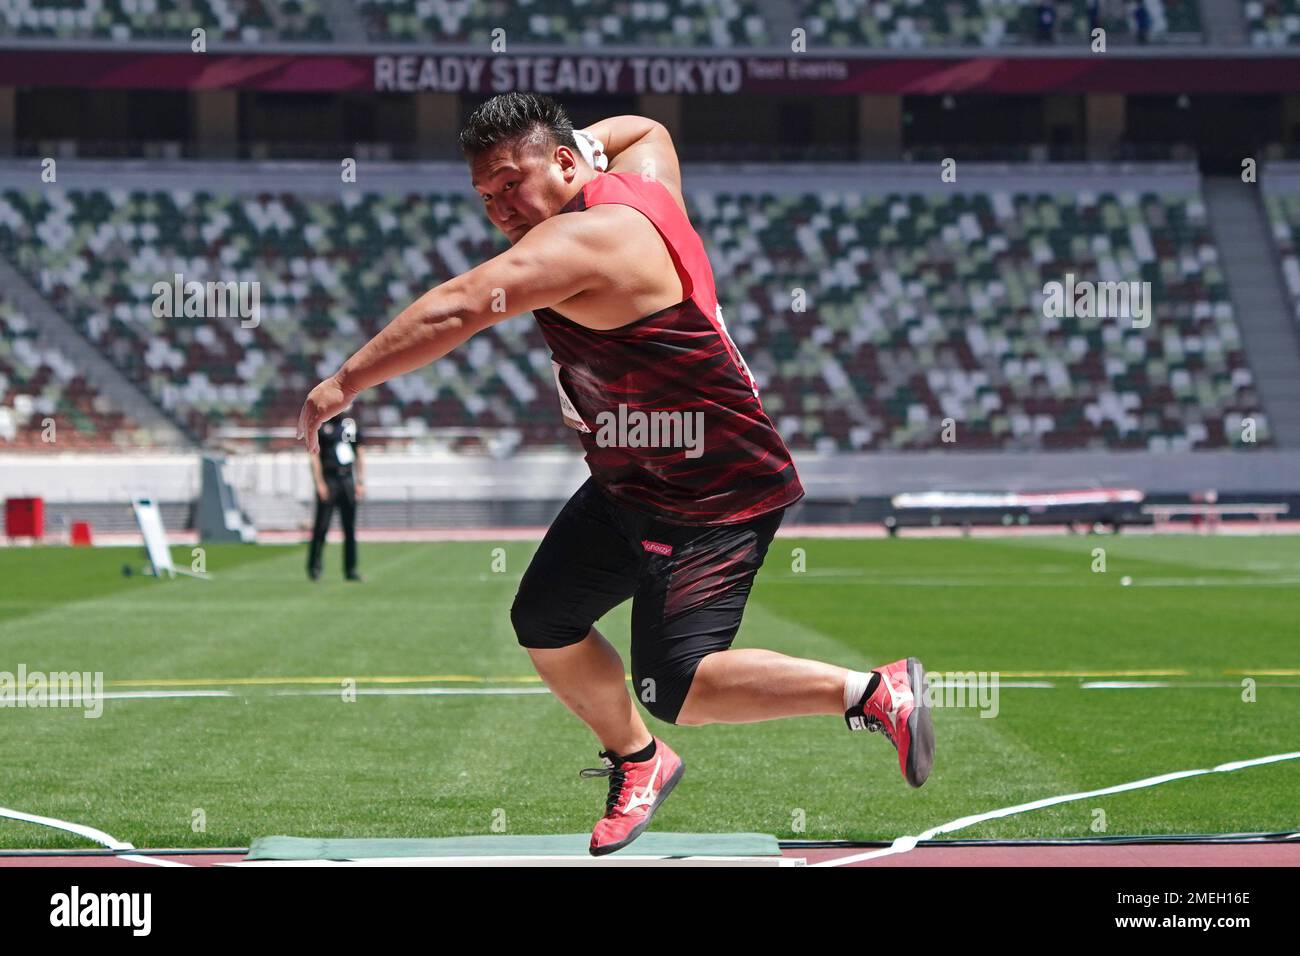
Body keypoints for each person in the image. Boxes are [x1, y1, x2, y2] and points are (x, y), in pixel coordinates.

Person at [296, 92, 934, 855]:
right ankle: (639, 763)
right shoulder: (643, 180)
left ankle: (872, 693)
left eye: (510, 182)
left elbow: (458, 307)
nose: (499, 206)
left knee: (677, 686)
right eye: (485, 195)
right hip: (633, 476)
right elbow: (648, 128)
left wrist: (341, 386)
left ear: (563, 163)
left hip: (712, 491)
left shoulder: (586, 242)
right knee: (545, 620)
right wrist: (573, 146)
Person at [307, 407, 365, 582]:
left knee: (349, 527)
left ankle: (350, 569)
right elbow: (314, 455)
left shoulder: (350, 425)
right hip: (329, 478)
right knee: (321, 526)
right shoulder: (322, 425)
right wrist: (319, 482)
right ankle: (314, 567)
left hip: (347, 478)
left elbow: (360, 453)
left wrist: (360, 481)